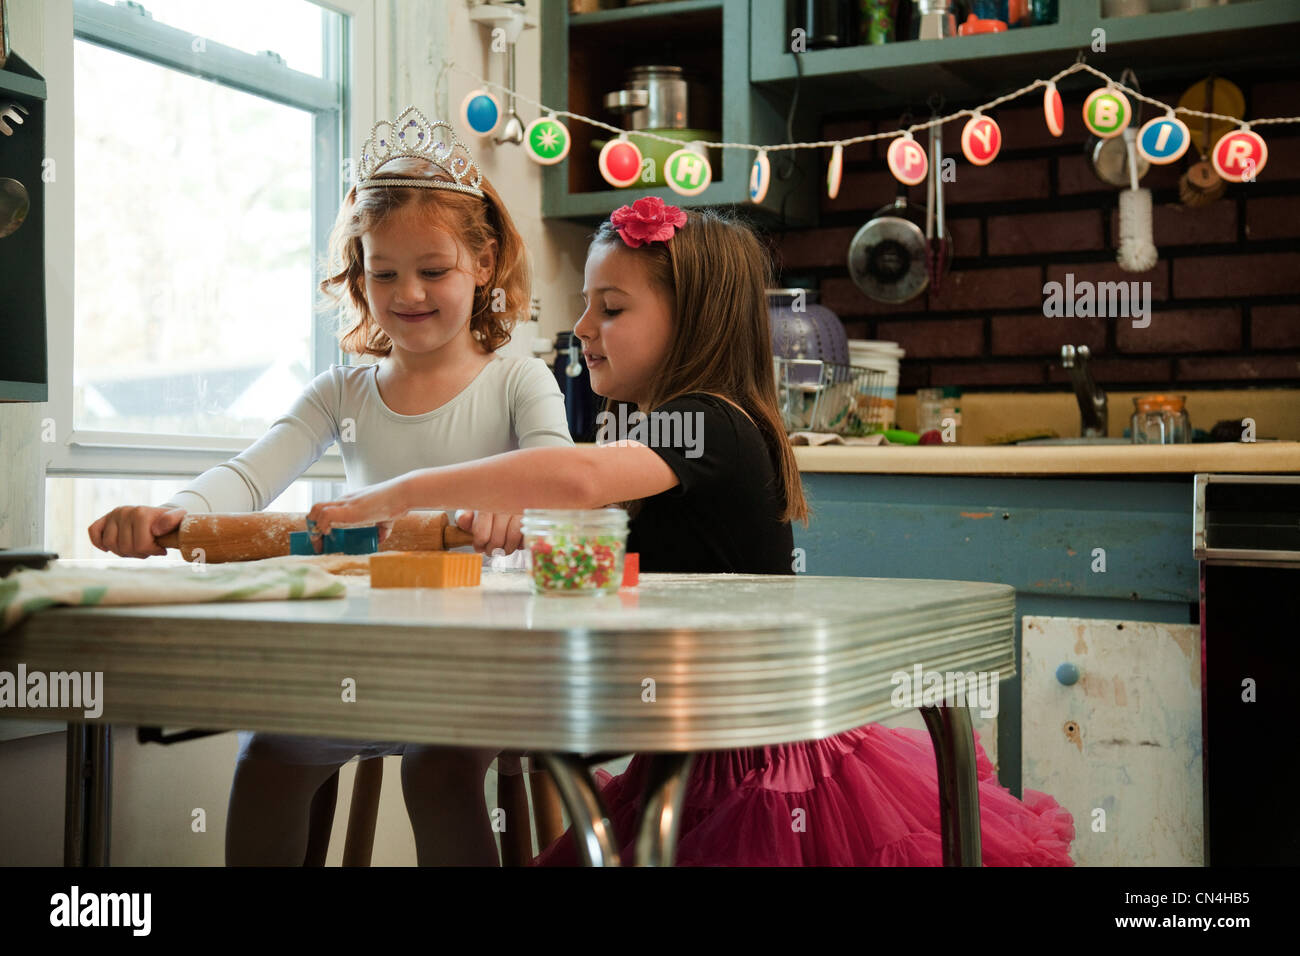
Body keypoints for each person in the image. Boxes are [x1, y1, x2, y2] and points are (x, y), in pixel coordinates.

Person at [305, 197, 1076, 866]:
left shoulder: (713, 425)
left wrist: (393, 496)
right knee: (438, 767)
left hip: (759, 766)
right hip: (690, 735)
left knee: (441, 768)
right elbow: (614, 536)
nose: (581, 328)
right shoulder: (669, 429)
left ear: (693, 321)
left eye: (610, 308)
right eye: (585, 304)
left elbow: (577, 479)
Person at [87, 108, 572, 865]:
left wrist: (515, 511)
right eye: (384, 272)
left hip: (484, 658)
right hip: (361, 653)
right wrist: (173, 514)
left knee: (439, 774)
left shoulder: (519, 380)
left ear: (482, 264)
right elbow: (249, 476)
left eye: (433, 270)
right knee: (268, 758)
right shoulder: (340, 394)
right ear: (358, 276)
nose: (407, 291)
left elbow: (559, 480)